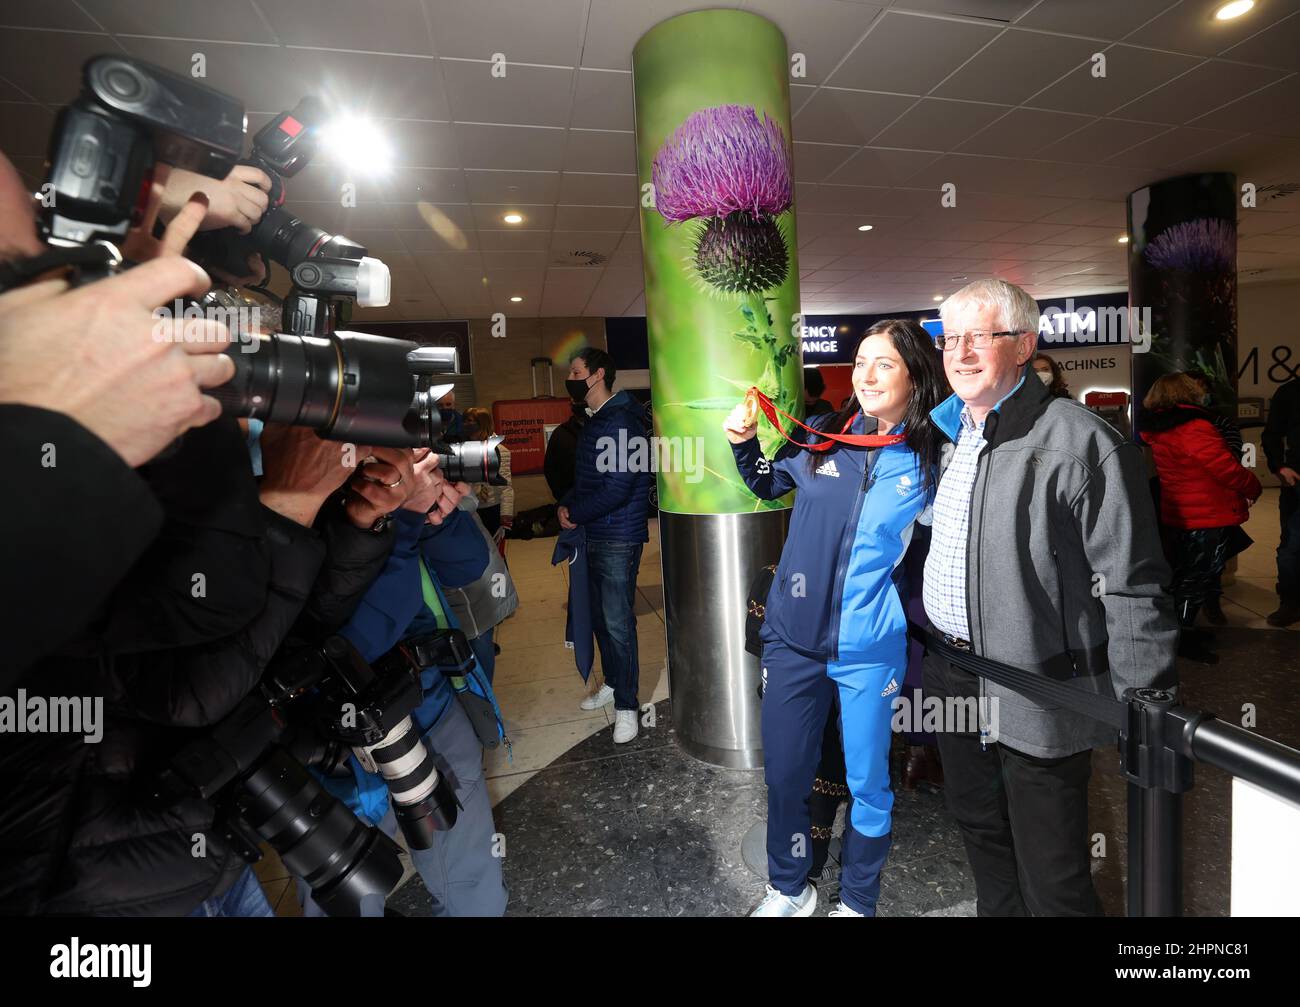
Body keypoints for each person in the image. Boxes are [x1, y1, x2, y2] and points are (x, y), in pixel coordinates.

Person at [923, 279, 1177, 917]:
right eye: (951, 338)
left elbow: (1133, 581)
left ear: (1023, 344)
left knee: (1053, 872)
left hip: (1038, 689)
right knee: (982, 834)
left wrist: (1145, 702)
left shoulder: (1083, 442)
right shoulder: (950, 437)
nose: (961, 352)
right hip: (952, 675)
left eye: (979, 336)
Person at [725, 320, 946, 917]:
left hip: (869, 649)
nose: (866, 376)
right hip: (792, 643)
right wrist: (743, 442)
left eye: (884, 365)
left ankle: (858, 901)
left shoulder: (931, 459)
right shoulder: (825, 434)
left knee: (869, 786)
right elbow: (769, 485)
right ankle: (790, 888)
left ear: (915, 376)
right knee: (787, 778)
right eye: (860, 363)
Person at [558, 347, 652, 744]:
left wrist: (575, 511)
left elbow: (618, 487)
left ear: (597, 376)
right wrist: (568, 502)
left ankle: (629, 706)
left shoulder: (624, 421)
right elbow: (591, 478)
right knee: (599, 617)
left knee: (617, 623)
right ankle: (613, 683)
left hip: (618, 535)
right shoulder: (598, 419)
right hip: (596, 532)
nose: (572, 379)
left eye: (576, 372)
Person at [1141, 373, 1261, 661]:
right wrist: (1253, 485)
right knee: (1196, 579)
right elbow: (1226, 468)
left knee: (1186, 575)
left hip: (1183, 512)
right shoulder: (1194, 427)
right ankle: (1181, 636)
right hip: (1206, 515)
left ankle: (1184, 630)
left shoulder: (1161, 427)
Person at [1183, 370, 1246, 626]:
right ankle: (1188, 616)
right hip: (1188, 504)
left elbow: (1231, 458)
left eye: (1202, 388)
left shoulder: (1220, 422)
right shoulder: (1172, 424)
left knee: (1213, 559)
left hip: (1213, 503)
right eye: (1193, 388)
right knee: (1192, 561)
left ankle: (1210, 603)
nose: (1200, 394)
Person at [1261, 377, 1299, 627]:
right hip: (1298, 480)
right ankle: (1291, 601)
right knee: (1293, 545)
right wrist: (1279, 466)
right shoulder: (1290, 392)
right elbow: (1272, 433)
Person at [463, 406, 514, 539]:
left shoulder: (500, 450)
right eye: (465, 421)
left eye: (470, 421)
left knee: (496, 553)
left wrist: (506, 518)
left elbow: (506, 487)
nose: (466, 425)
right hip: (471, 508)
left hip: (493, 509)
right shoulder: (463, 448)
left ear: (482, 423)